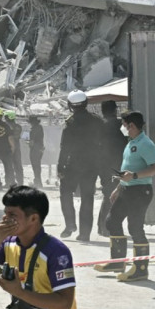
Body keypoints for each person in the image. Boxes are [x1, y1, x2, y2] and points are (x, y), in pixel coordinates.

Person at [97, 111, 155, 282]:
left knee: (135, 228)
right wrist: (119, 187)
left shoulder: (145, 144)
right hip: (127, 190)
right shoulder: (131, 142)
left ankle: (141, 269)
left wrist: (133, 176)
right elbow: (127, 168)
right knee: (112, 221)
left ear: (131, 126)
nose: (123, 128)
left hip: (140, 191)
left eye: (124, 125)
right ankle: (117, 262)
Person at [57, 91, 103, 241]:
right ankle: (85, 234)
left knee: (65, 193)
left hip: (73, 164)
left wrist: (60, 166)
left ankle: (70, 224)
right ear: (86, 103)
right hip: (92, 165)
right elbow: (103, 144)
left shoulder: (70, 122)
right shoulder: (97, 121)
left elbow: (64, 147)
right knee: (87, 198)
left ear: (70, 105)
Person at [94, 101, 126, 237]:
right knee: (111, 195)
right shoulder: (120, 125)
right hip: (116, 164)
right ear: (114, 110)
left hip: (103, 164)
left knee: (108, 194)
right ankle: (105, 226)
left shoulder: (99, 125)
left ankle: (101, 226)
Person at [26, 116, 45, 187]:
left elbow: (31, 141)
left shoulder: (33, 129)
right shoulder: (40, 127)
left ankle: (37, 181)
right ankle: (38, 181)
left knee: (35, 165)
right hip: (40, 147)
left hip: (35, 148)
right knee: (37, 165)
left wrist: (28, 142)